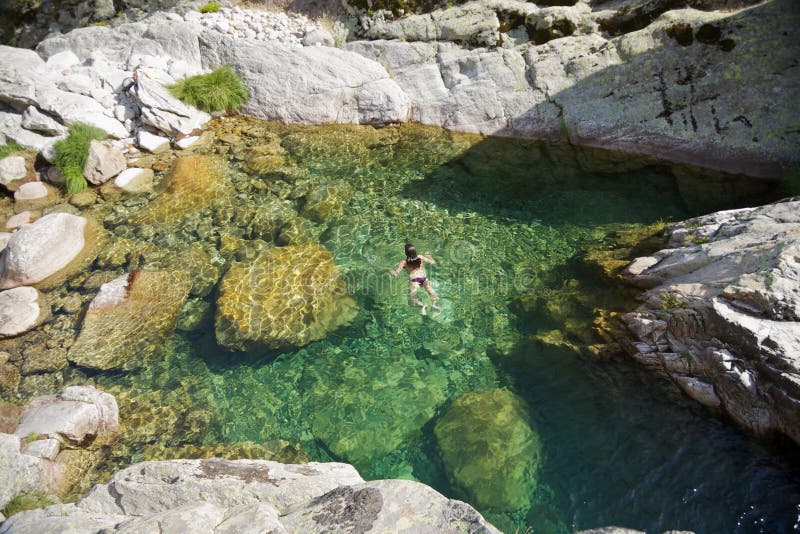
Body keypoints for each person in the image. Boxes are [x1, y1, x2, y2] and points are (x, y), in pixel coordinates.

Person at [389, 243, 441, 315]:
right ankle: (434, 305)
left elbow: (395, 275)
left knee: (411, 301)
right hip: (424, 278)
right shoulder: (420, 257)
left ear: (406, 253)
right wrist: (428, 255)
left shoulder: (404, 262)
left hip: (414, 281)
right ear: (414, 251)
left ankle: (423, 306)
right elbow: (433, 262)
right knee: (431, 292)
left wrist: (389, 270)